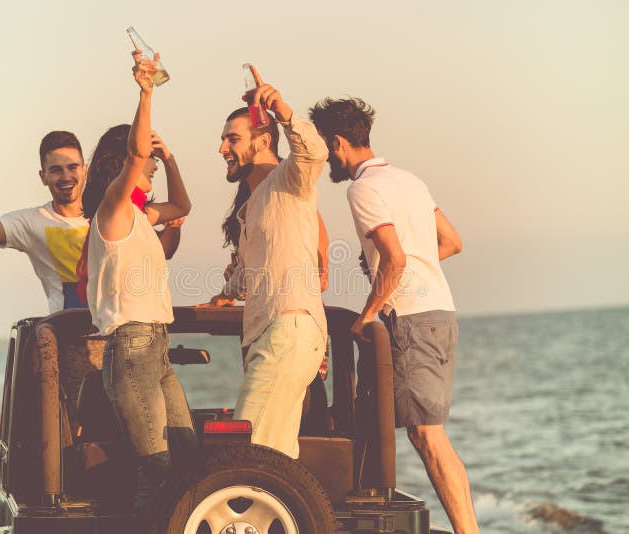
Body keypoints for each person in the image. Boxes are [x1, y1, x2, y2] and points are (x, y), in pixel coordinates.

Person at [309, 97, 477, 533]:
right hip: (441, 312)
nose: (326, 158)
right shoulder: (409, 180)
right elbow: (452, 242)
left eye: (326, 147)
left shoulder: (362, 188)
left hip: (412, 320)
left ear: (338, 142)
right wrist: (405, 269)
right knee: (421, 432)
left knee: (426, 436)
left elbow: (396, 260)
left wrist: (368, 313)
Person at [82, 50, 194, 515]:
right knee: (156, 468)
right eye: (147, 156)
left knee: (187, 461)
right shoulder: (112, 210)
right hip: (130, 344)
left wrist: (170, 160)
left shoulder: (142, 217)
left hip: (155, 343)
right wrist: (146, 92)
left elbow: (182, 206)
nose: (148, 162)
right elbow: (135, 153)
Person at [202, 65, 328, 460]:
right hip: (271, 337)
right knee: (275, 462)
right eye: (223, 140)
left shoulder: (289, 180)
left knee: (242, 455)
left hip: (287, 330)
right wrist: (222, 296)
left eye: (232, 139)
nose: (223, 148)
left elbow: (314, 151)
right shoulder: (251, 208)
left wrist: (279, 106)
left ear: (262, 141)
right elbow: (247, 272)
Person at [0, 132, 186, 313]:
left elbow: (163, 251)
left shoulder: (109, 209)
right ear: (43, 177)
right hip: (70, 333)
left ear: (85, 169)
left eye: (72, 168)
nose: (66, 177)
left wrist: (174, 227)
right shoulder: (32, 222)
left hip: (120, 327)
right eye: (56, 170)